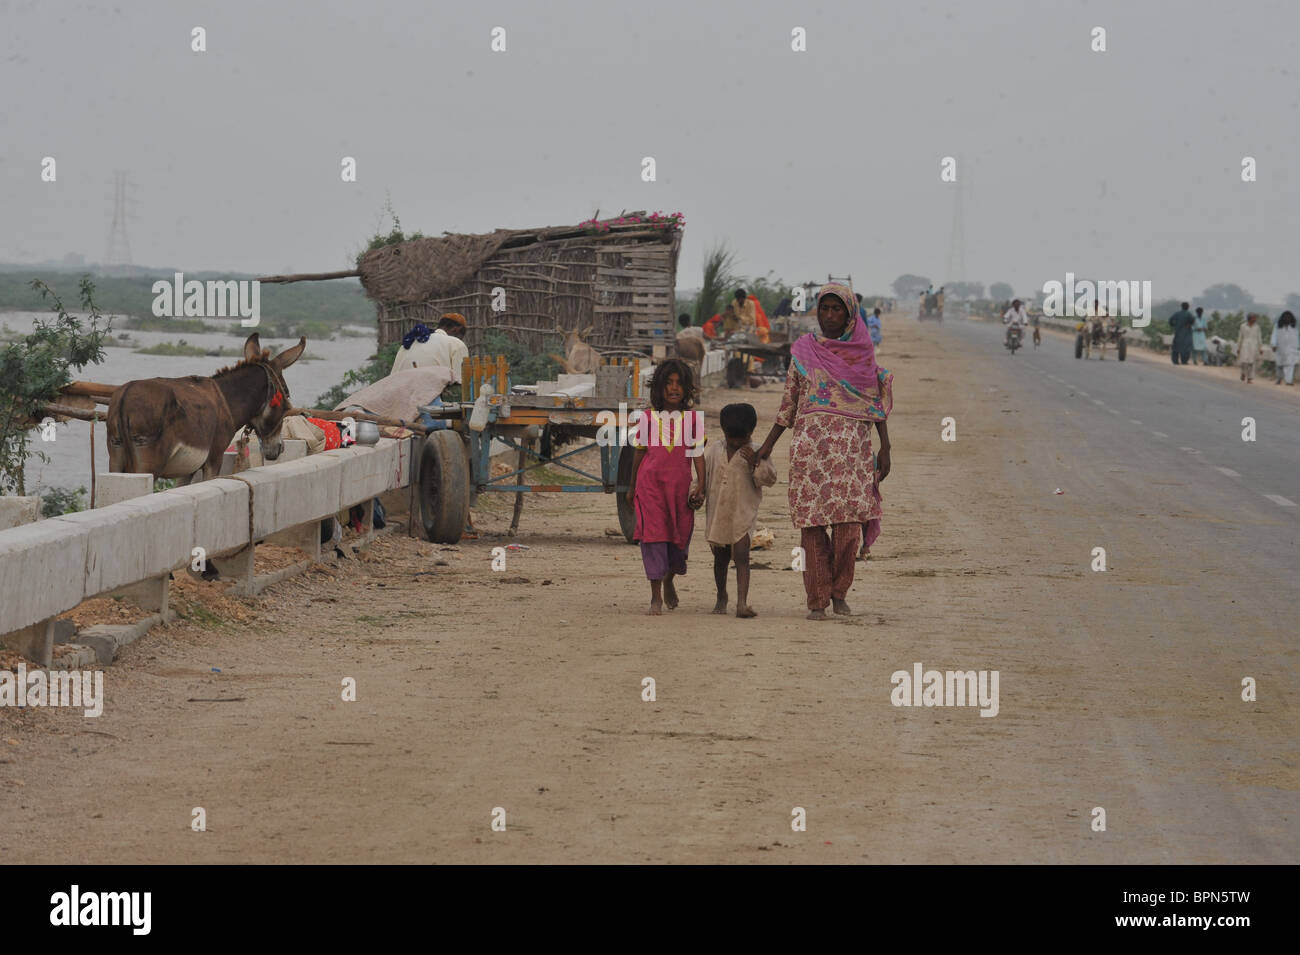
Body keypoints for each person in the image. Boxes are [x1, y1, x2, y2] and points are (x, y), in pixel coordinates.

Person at [755, 283, 893, 621]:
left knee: (849, 530)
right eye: (824, 309)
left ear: (849, 314)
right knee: (812, 529)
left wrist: (885, 446)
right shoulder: (804, 351)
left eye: (836, 309)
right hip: (810, 453)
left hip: (852, 454)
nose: (829, 316)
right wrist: (767, 445)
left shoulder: (863, 354)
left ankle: (839, 592)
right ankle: (817, 600)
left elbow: (874, 404)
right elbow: (789, 403)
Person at [625, 359, 708, 615]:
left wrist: (701, 485)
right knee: (653, 539)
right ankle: (655, 596)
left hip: (679, 491)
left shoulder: (693, 419)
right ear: (658, 388)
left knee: (679, 541)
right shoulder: (648, 418)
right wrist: (630, 487)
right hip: (650, 488)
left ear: (687, 389)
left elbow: (698, 454)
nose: (674, 388)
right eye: (668, 383)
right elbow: (639, 453)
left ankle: (670, 578)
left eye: (679, 384)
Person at [703, 403, 777, 618]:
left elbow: (769, 479)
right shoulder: (715, 451)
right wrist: (696, 493)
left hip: (743, 514)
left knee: (742, 557)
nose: (736, 444)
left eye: (741, 440)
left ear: (750, 433)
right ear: (724, 432)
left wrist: (756, 462)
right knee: (720, 558)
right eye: (732, 439)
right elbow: (704, 477)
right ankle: (721, 595)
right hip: (718, 514)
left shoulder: (757, 451)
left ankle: (742, 603)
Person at [392, 313, 470, 378]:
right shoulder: (457, 344)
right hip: (431, 394)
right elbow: (461, 381)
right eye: (460, 337)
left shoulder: (409, 343)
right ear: (456, 330)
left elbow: (392, 377)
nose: (460, 340)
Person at [1271, 311, 1298, 386]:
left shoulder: (1293, 327)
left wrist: (1296, 348)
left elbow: (1296, 338)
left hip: (1290, 349)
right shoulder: (1277, 326)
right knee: (1279, 364)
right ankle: (1279, 379)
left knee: (1290, 365)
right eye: (1286, 317)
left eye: (1289, 317)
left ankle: (1288, 381)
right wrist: (1273, 344)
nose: (1287, 319)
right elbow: (1274, 335)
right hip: (1280, 348)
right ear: (1283, 318)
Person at [1237, 313, 1262, 383]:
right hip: (1245, 345)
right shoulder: (1243, 326)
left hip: (1254, 346)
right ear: (1249, 318)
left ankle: (1250, 378)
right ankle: (1243, 373)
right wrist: (1238, 347)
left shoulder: (1257, 327)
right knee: (1244, 361)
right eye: (1253, 318)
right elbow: (1240, 337)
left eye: (1255, 318)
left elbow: (1259, 337)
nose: (1255, 319)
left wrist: (1260, 347)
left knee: (1252, 363)